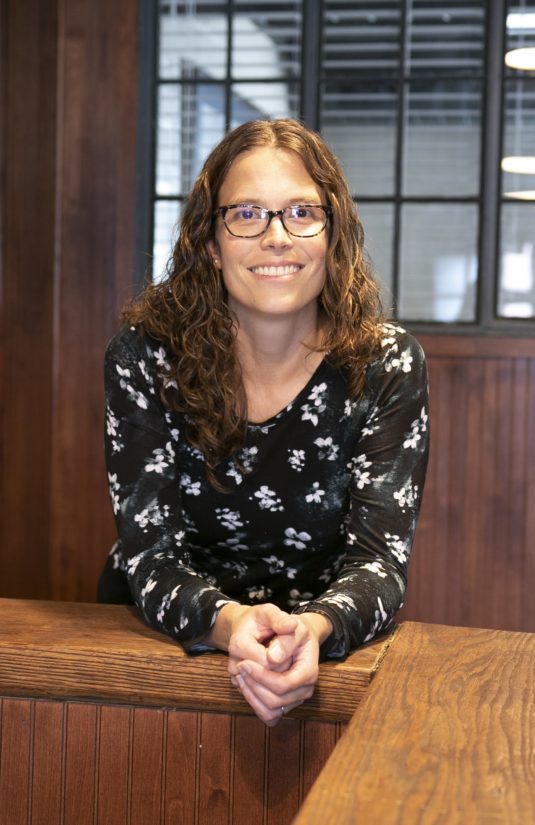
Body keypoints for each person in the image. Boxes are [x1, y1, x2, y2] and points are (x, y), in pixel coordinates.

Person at [98, 118, 429, 726]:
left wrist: (311, 630)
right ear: (209, 240)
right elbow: (150, 554)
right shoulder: (146, 357)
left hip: (324, 649)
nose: (276, 236)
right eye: (247, 214)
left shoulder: (386, 363)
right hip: (171, 643)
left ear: (334, 233)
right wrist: (231, 624)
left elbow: (379, 564)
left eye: (302, 212)